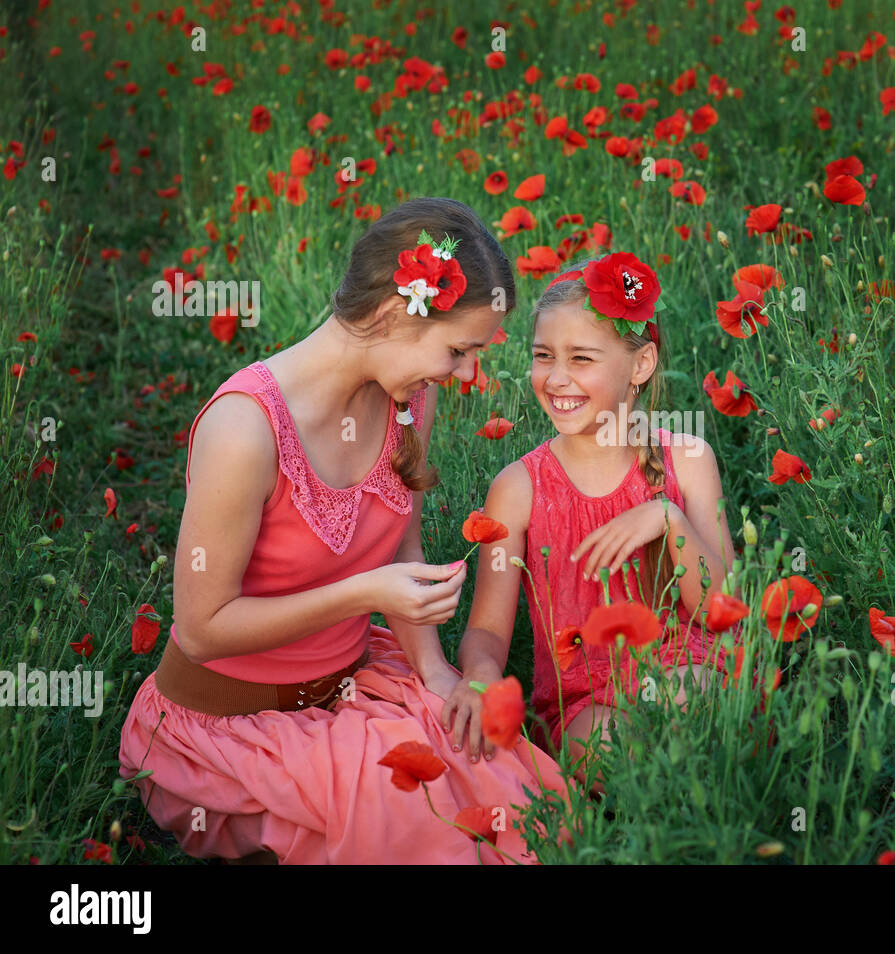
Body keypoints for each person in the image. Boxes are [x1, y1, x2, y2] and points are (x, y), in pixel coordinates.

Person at [117, 197, 566, 864]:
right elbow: (205, 626)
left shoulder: (410, 393)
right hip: (232, 726)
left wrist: (437, 672)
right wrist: (366, 593)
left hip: (352, 683)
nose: (468, 373)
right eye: (461, 349)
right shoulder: (247, 428)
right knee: (431, 832)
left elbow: (402, 544)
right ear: (391, 314)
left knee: (523, 803)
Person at [440, 252, 736, 785]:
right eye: (543, 355)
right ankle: (661, 804)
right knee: (606, 752)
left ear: (641, 364)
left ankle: (692, 806)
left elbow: (723, 611)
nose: (556, 378)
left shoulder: (688, 462)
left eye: (581, 359)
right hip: (585, 698)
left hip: (688, 667)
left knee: (688, 704)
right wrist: (482, 675)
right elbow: (486, 628)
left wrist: (670, 520)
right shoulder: (519, 488)